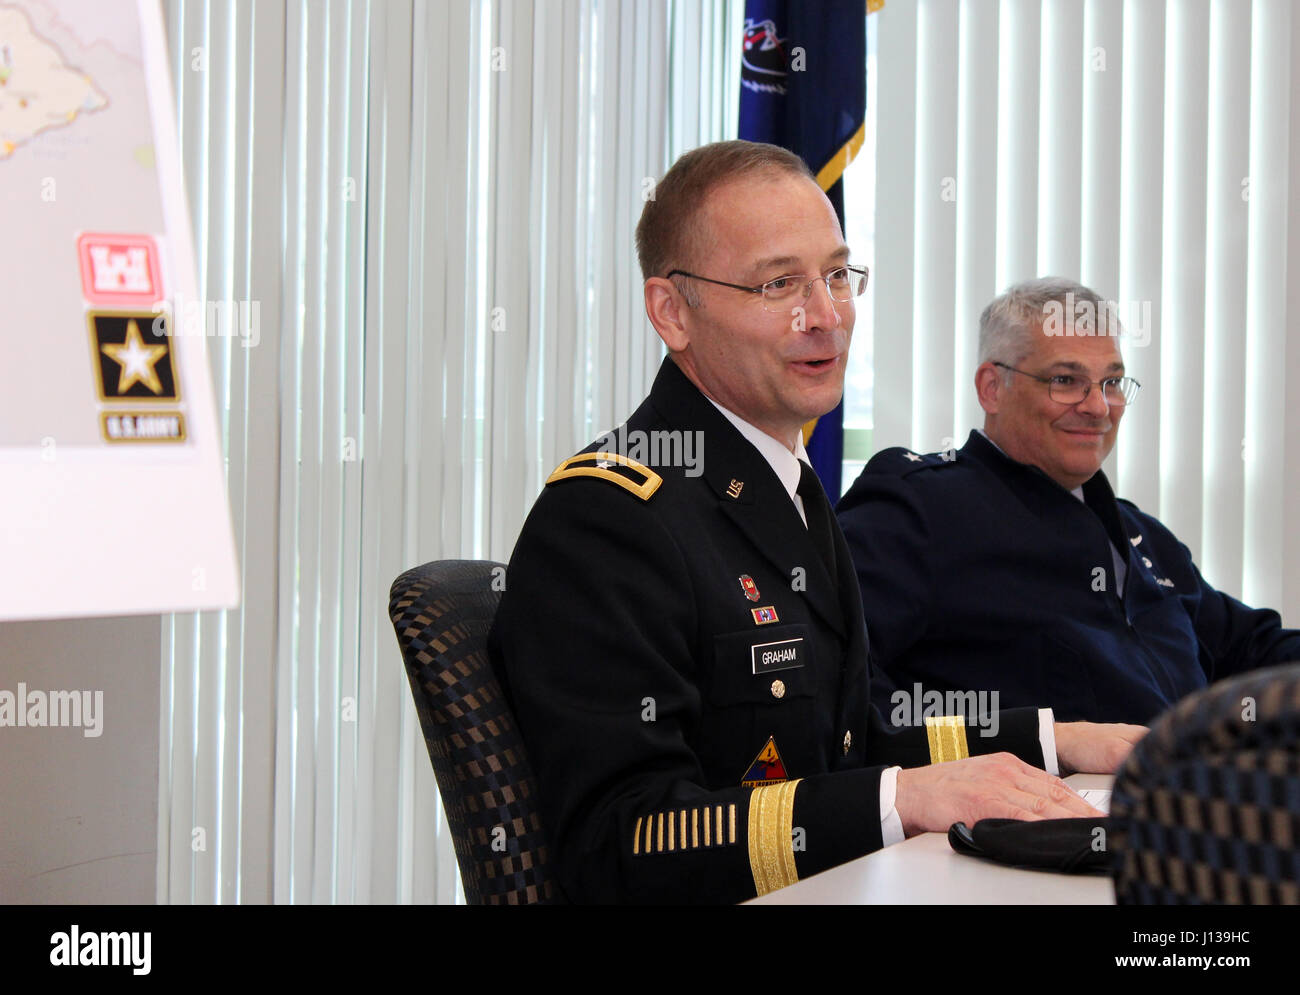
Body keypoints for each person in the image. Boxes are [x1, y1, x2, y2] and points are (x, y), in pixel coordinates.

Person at [489, 144, 1142, 905]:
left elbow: (848, 736)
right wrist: (901, 798)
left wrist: (1061, 740)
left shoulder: (783, 483)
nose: (827, 316)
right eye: (779, 284)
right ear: (672, 312)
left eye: (836, 275)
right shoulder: (610, 516)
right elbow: (622, 841)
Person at [837, 277, 1300, 726]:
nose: (1098, 407)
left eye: (1111, 382)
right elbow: (839, 679)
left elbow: (1252, 649)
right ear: (992, 388)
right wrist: (1030, 745)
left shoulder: (1140, 534)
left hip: (1184, 772)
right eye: (1065, 380)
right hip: (1045, 780)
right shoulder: (920, 508)